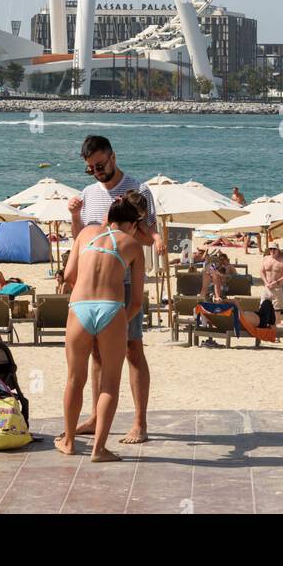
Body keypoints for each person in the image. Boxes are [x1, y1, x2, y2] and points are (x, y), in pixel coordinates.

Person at [68, 134, 160, 445]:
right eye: (91, 168)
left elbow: (146, 236)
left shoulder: (138, 189)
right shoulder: (88, 194)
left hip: (124, 281)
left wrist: (156, 241)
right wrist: (73, 216)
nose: (97, 172)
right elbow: (81, 239)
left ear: (113, 157)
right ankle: (96, 418)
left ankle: (139, 423)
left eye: (101, 165)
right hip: (91, 287)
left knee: (133, 350)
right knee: (96, 354)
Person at [55, 196, 145, 463]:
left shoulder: (85, 234)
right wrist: (118, 323)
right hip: (111, 309)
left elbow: (69, 275)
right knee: (110, 383)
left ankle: (69, 442)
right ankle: (99, 449)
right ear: (132, 224)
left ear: (109, 218)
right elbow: (137, 300)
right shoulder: (133, 245)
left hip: (80, 307)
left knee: (74, 379)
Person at [261, 243, 283, 313]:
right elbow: (262, 272)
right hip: (267, 287)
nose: (272, 251)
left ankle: (275, 324)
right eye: (271, 249)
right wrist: (266, 282)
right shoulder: (265, 258)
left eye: (274, 249)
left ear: (278, 250)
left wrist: (276, 282)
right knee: (263, 307)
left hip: (278, 288)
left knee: (277, 311)